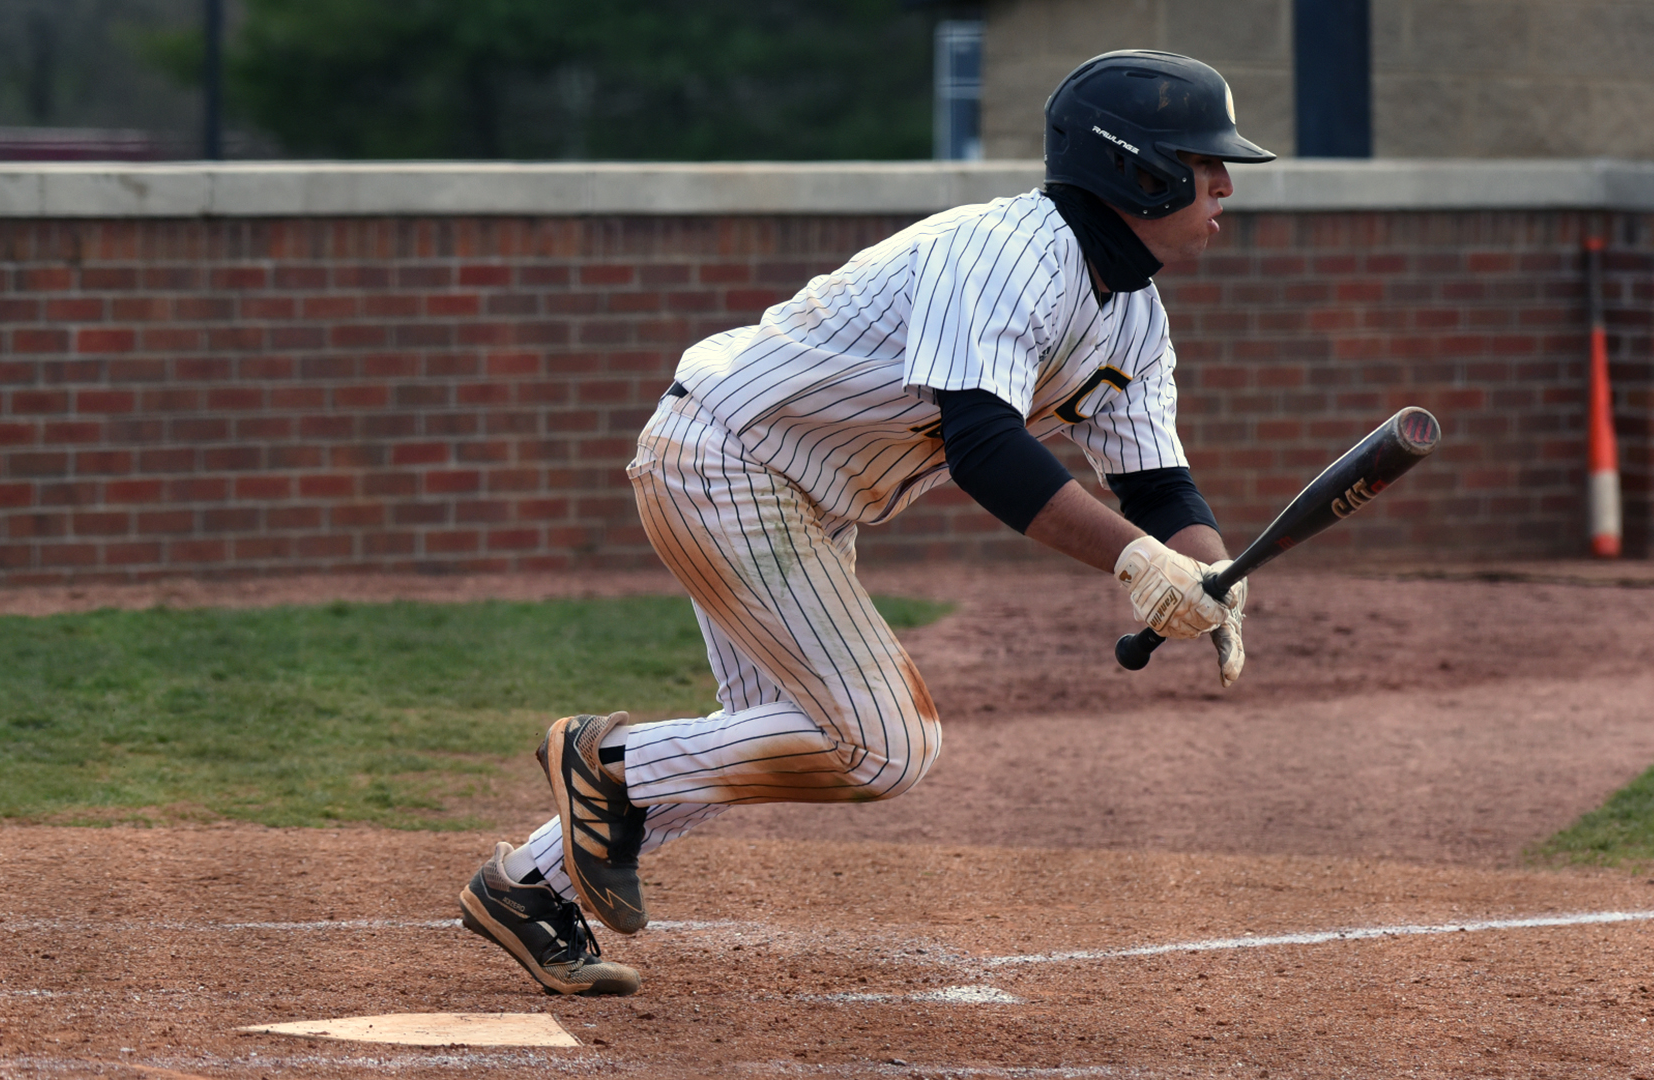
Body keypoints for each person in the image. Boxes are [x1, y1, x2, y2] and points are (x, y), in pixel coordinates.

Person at [456, 50, 1272, 996]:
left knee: (775, 737)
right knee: (885, 746)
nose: (1222, 184)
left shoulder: (1133, 312)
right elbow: (985, 447)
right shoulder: (1007, 253)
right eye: (1202, 162)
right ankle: (606, 762)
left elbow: (1159, 484)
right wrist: (1136, 564)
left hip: (799, 494)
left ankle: (526, 885)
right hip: (727, 462)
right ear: (1137, 168)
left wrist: (1211, 573)